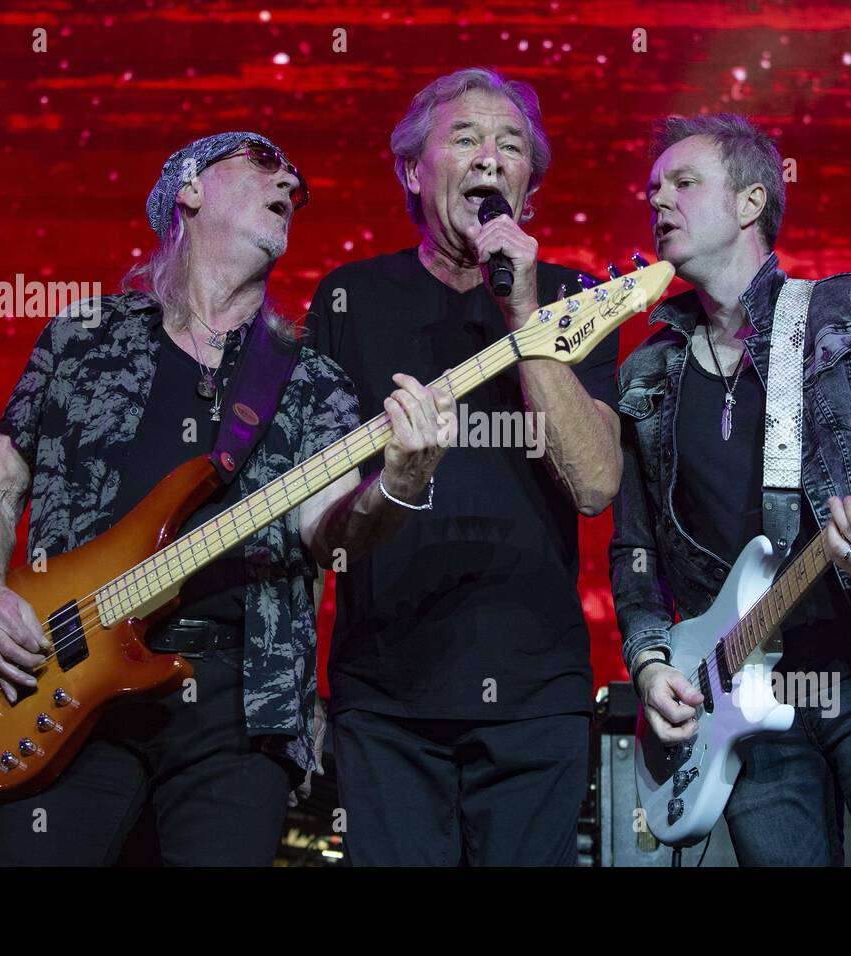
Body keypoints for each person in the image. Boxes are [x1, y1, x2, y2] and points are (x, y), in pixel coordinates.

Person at [0, 131, 453, 865]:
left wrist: (400, 485)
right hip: (63, 677)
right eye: (263, 164)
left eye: (297, 184)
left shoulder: (309, 380)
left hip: (234, 705)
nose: (290, 184)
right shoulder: (83, 338)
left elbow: (331, 534)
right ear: (187, 188)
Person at [609, 113, 851, 866]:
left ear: (750, 203)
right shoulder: (644, 374)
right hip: (740, 683)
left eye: (683, 183)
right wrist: (651, 663)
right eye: (652, 189)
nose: (658, 201)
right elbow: (635, 550)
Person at [305, 68, 621, 866]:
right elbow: (317, 520)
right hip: (386, 698)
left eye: (511, 145)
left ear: (530, 190)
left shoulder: (577, 299)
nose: (491, 156)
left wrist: (523, 314)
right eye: (466, 138)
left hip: (535, 693)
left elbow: (595, 483)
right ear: (413, 171)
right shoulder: (350, 300)